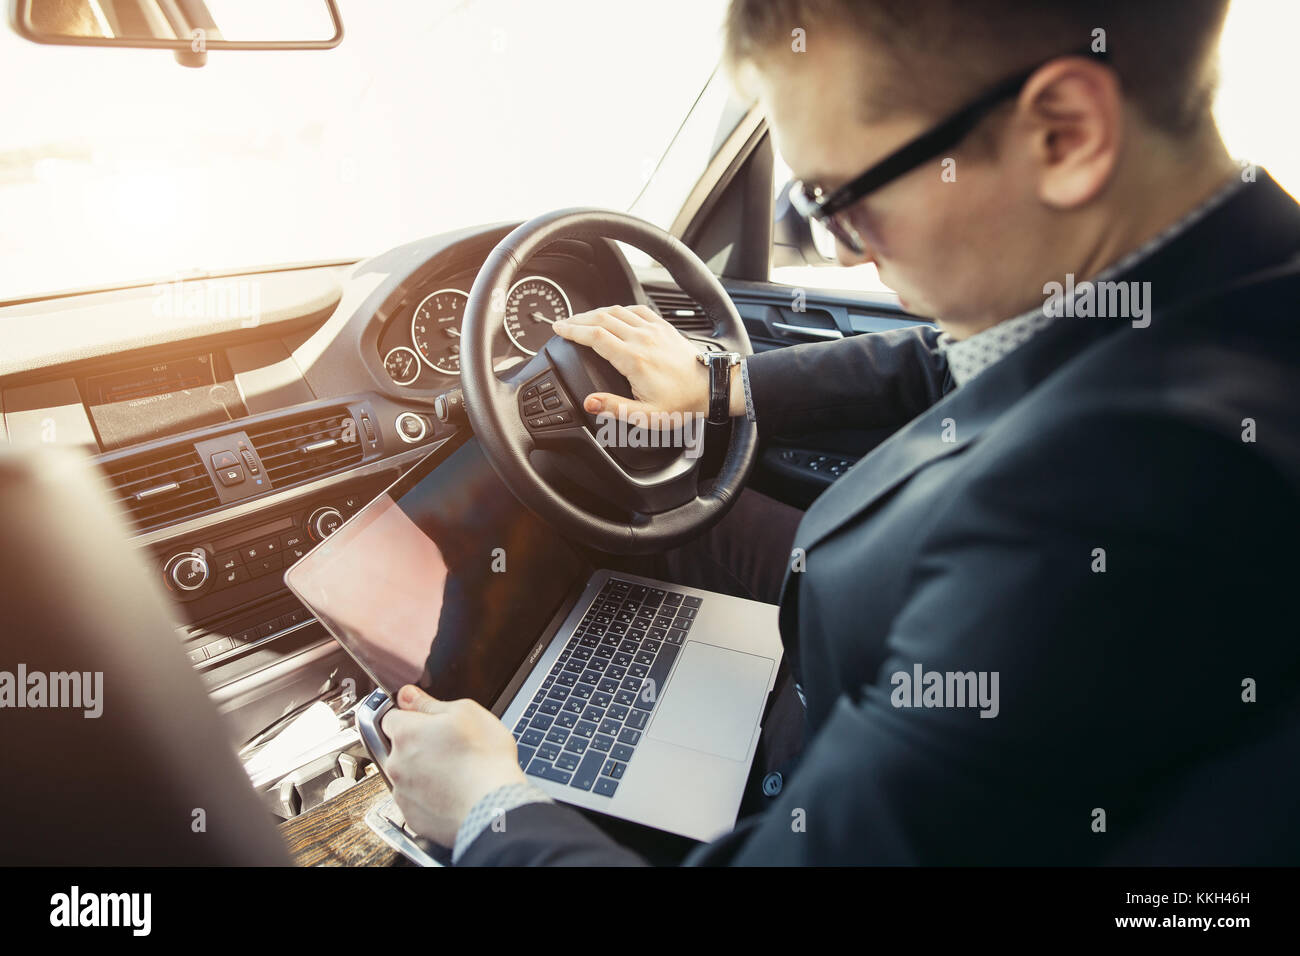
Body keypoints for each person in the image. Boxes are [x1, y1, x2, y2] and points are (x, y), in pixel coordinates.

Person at [382, 0, 1300, 865]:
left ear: (1064, 134)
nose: (839, 244)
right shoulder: (1217, 285)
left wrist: (488, 810)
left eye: (832, 197)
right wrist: (717, 383)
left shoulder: (1117, 502)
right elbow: (942, 363)